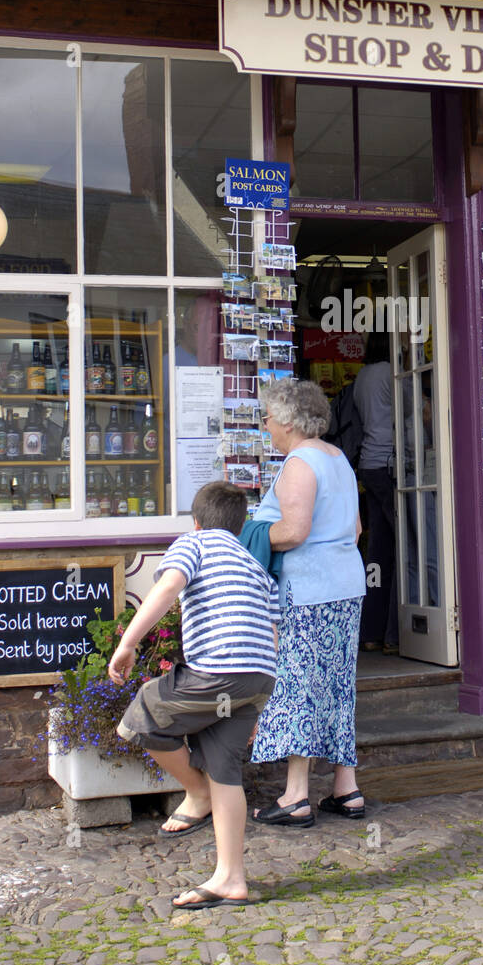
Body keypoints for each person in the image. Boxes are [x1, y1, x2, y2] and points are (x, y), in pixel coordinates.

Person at [108, 482, 280, 909]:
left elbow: (168, 588)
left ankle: (194, 791)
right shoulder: (255, 564)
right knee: (225, 768)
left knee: (141, 716)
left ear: (197, 522)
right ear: (241, 528)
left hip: (215, 670)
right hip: (259, 675)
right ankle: (231, 878)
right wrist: (256, 701)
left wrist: (128, 643)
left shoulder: (193, 544)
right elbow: (273, 631)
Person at [250, 378, 367, 825]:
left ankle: (296, 796)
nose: (266, 427)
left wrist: (252, 536)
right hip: (345, 586)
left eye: (268, 418)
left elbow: (294, 531)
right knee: (338, 685)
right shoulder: (338, 459)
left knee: (299, 684)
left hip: (310, 592)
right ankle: (346, 788)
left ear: (286, 420)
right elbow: (355, 531)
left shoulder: (299, 463)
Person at [353, 332, 399, 652]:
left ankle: (370, 631)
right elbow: (411, 412)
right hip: (389, 464)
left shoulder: (362, 376)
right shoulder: (389, 373)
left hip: (368, 464)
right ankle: (398, 635)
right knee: (410, 548)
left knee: (378, 553)